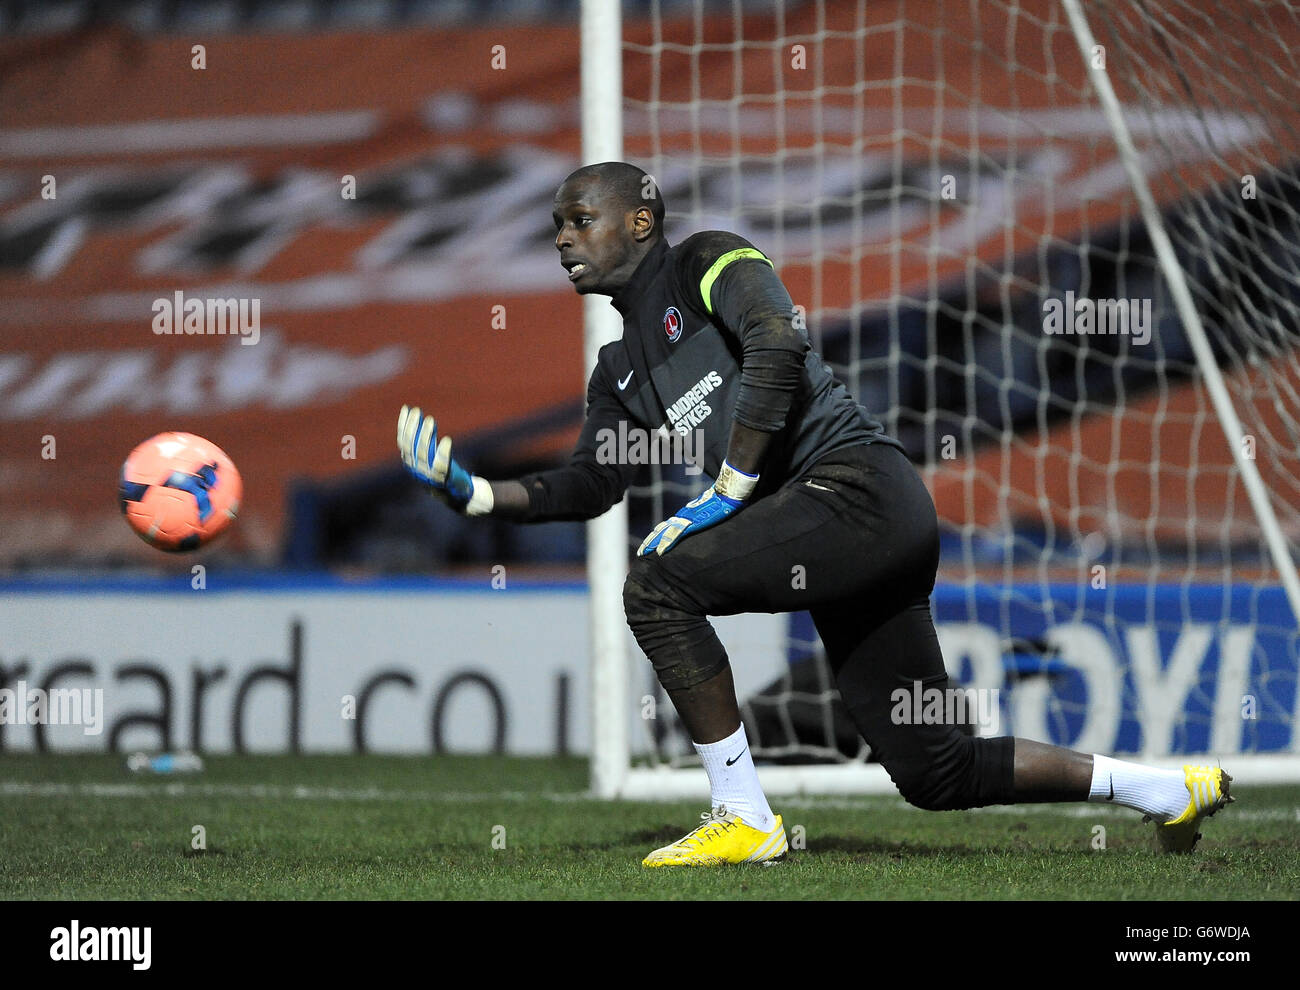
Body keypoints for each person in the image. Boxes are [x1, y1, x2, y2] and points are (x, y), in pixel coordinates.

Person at [397, 161, 1231, 866]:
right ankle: (1166, 789)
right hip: (842, 536)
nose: (562, 239)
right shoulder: (619, 370)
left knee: (655, 587)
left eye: (579, 219)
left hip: (862, 492)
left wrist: (727, 489)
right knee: (937, 774)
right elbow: (588, 485)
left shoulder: (709, 260)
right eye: (556, 225)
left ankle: (745, 816)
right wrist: (472, 492)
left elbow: (778, 341)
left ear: (642, 220)